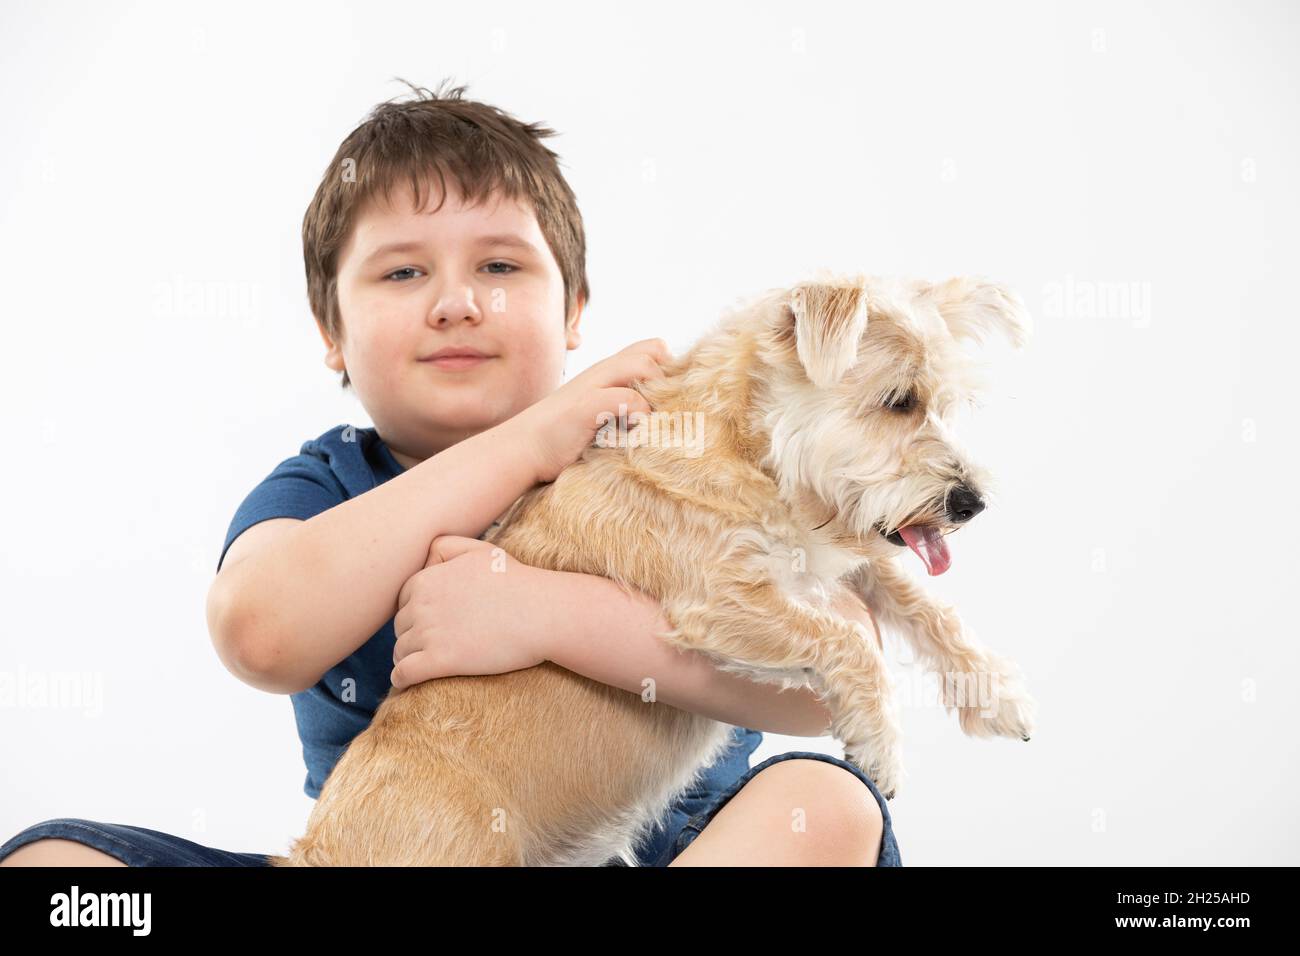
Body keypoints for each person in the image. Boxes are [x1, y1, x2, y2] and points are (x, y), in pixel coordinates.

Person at [1, 78, 900, 868]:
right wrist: (529, 441)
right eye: (401, 273)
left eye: (502, 265)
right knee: (56, 869)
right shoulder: (325, 488)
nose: (457, 302)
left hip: (675, 849)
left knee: (826, 806)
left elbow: (834, 673)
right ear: (331, 335)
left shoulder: (675, 454)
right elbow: (261, 634)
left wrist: (545, 615)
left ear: (575, 309)